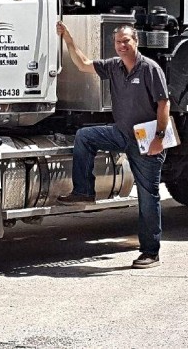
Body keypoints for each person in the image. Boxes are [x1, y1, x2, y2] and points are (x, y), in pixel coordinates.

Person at [56, 21, 170, 269]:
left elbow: (164, 104)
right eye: (118, 42)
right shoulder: (114, 67)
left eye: (126, 41)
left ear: (135, 41)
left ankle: (150, 252)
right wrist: (67, 38)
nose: (121, 46)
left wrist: (158, 138)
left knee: (147, 197)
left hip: (146, 140)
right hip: (120, 133)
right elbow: (83, 64)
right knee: (85, 137)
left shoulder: (150, 69)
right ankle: (84, 191)